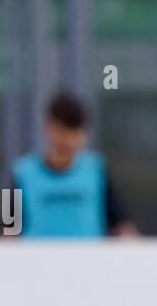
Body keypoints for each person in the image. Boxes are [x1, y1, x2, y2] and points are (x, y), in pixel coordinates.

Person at [10, 92, 137, 239]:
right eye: (62, 131)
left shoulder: (96, 171)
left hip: (88, 260)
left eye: (74, 132)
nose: (69, 140)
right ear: (49, 127)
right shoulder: (23, 173)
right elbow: (8, 232)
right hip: (38, 261)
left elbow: (122, 225)